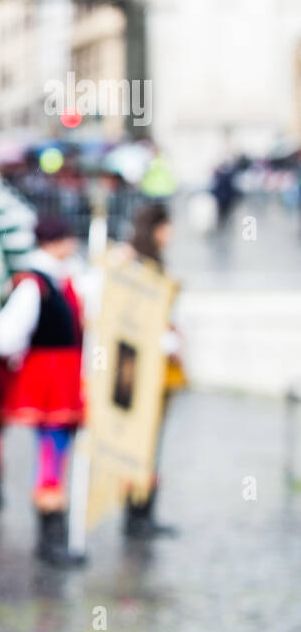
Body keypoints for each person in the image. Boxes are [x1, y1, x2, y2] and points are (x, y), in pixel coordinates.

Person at [0, 216, 86, 567]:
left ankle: (54, 533)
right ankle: (50, 538)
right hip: (50, 380)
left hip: (63, 377)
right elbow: (5, 336)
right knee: (51, 454)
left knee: (58, 452)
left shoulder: (59, 279)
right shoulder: (33, 284)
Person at [118, 202, 181, 539]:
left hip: (160, 366)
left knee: (153, 440)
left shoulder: (153, 263)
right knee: (139, 439)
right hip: (141, 365)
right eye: (166, 227)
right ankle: (135, 513)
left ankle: (144, 512)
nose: (170, 234)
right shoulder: (133, 265)